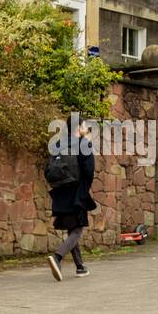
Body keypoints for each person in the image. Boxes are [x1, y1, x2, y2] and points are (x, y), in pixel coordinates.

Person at [47, 120, 97, 280]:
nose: (85, 129)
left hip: (60, 192)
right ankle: (57, 257)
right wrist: (84, 188)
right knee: (77, 230)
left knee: (72, 227)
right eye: (83, 126)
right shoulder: (83, 144)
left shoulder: (58, 143)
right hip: (77, 191)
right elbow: (89, 171)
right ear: (77, 127)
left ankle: (80, 266)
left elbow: (48, 169)